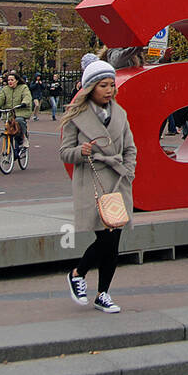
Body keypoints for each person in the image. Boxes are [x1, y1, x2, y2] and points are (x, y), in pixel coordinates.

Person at [61, 59, 136, 314]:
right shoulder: (76, 117)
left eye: (112, 85)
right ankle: (78, 273)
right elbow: (64, 152)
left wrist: (129, 171)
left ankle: (103, 293)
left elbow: (130, 147)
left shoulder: (121, 114)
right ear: (91, 87)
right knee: (104, 238)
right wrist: (80, 152)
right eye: (103, 85)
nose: (109, 90)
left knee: (114, 240)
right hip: (91, 181)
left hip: (117, 181)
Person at [0, 71, 33, 157]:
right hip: (9, 113)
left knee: (19, 120)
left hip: (20, 111)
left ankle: (24, 138)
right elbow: (0, 98)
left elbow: (27, 96)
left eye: (12, 80)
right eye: (8, 80)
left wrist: (24, 103)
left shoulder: (23, 87)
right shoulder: (5, 89)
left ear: (17, 80)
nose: (10, 81)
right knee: (8, 130)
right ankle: (8, 153)